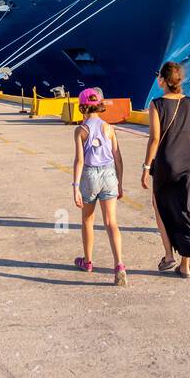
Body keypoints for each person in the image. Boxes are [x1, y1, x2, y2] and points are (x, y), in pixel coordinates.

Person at [142, 61, 190, 278]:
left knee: (160, 205)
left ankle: (169, 255)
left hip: (166, 163)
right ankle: (185, 265)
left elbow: (154, 139)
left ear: (162, 80)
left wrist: (146, 167)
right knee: (187, 209)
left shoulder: (156, 104)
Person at [72, 87, 127, 286]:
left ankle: (87, 262)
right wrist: (120, 183)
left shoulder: (81, 130)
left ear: (82, 107)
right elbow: (118, 157)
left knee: (87, 219)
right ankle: (119, 265)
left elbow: (79, 160)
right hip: (109, 174)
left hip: (90, 176)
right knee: (111, 222)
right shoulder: (109, 128)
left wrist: (75, 186)